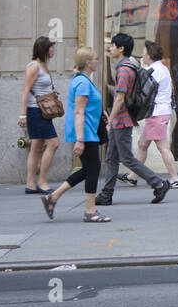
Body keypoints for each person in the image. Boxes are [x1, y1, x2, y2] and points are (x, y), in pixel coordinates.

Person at [95, 33, 169, 206]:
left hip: (122, 120)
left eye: (113, 45)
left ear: (121, 49)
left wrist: (110, 121)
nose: (110, 48)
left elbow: (120, 97)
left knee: (127, 158)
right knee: (112, 158)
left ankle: (158, 183)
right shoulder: (130, 65)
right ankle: (106, 194)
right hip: (123, 119)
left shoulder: (124, 69)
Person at [42, 47, 110, 222]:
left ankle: (53, 197)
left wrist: (101, 112)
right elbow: (79, 112)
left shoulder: (82, 80)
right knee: (93, 168)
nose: (97, 61)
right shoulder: (82, 83)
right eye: (95, 58)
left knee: (89, 169)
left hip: (87, 130)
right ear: (88, 62)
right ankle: (90, 211)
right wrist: (80, 140)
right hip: (85, 132)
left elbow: (86, 107)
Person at [120, 40, 178, 189]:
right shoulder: (162, 69)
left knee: (163, 147)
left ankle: (175, 178)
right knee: (142, 145)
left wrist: (139, 68)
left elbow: (143, 87)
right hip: (159, 113)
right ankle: (133, 176)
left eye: (144, 52)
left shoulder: (155, 70)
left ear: (149, 55)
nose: (142, 55)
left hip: (157, 114)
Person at [17, 36, 60, 195]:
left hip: (41, 111)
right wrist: (23, 115)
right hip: (36, 111)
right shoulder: (34, 66)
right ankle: (42, 181)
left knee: (36, 147)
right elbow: (25, 90)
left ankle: (30, 183)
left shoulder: (43, 65)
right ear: (43, 49)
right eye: (51, 47)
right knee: (53, 143)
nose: (53, 50)